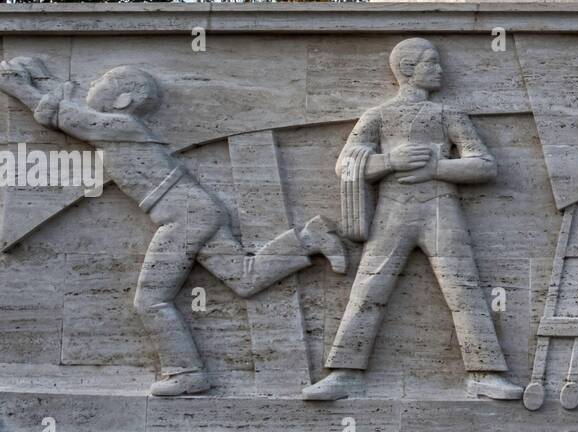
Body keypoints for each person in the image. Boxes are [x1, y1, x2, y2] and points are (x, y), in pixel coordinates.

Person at [0, 55, 346, 396]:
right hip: (195, 210)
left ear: (122, 100)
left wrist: (16, 87)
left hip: (183, 215)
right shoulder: (114, 127)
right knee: (246, 278)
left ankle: (187, 372)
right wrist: (37, 81)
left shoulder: (121, 127)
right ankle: (308, 238)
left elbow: (57, 115)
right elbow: (61, 108)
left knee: (149, 300)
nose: (92, 83)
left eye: (101, 82)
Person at [302, 39, 521, 401]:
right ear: (407, 69)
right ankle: (344, 372)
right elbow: (345, 165)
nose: (440, 70)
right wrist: (392, 162)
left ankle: (485, 372)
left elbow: (484, 164)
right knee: (369, 288)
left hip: (441, 208)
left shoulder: (448, 115)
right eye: (431, 63)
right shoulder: (378, 116)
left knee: (463, 287)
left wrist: (437, 167)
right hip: (392, 210)